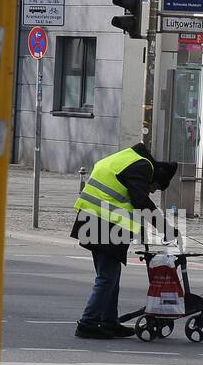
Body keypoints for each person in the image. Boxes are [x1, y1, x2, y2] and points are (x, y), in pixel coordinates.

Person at [71, 143, 177, 339]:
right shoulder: (143, 166)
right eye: (155, 187)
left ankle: (109, 322)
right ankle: (88, 323)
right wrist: (166, 229)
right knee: (106, 277)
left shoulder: (130, 158)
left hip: (94, 219)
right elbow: (141, 201)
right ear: (156, 178)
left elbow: (130, 197)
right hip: (104, 223)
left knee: (111, 275)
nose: (152, 191)